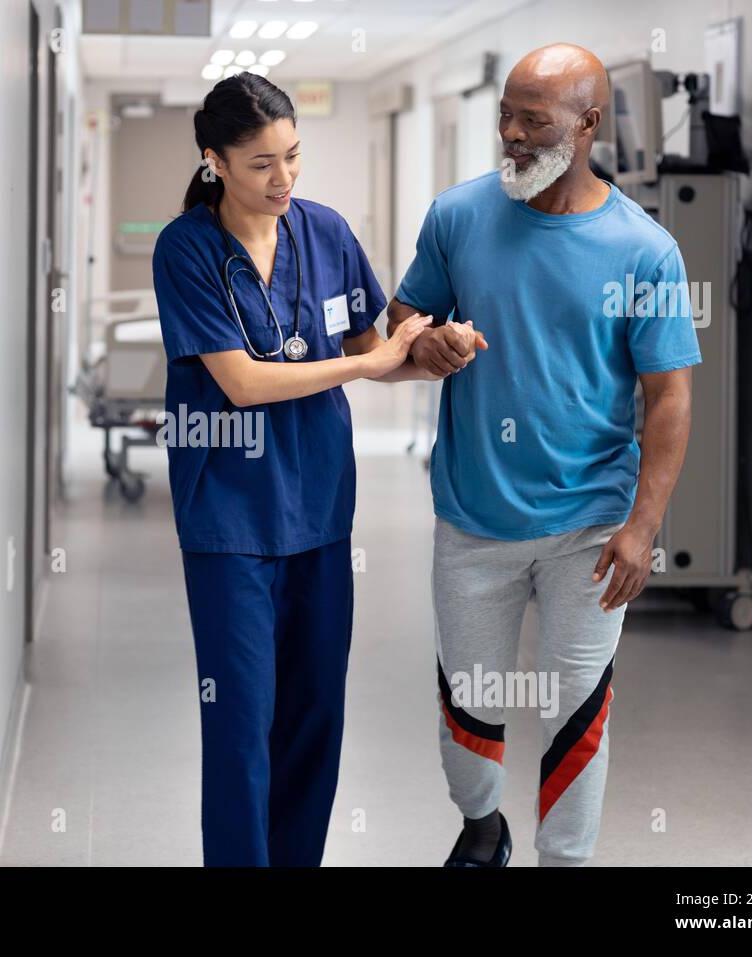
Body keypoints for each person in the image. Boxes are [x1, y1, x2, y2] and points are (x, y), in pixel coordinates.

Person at [151, 73, 481, 867]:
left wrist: (431, 355)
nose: (284, 179)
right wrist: (370, 369)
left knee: (313, 717)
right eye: (261, 163)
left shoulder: (326, 233)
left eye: (293, 156)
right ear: (215, 161)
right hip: (228, 516)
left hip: (321, 512)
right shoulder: (186, 249)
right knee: (240, 725)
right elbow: (243, 382)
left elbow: (370, 352)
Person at [386, 43, 701, 866]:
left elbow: (669, 397)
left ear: (588, 124)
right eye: (506, 114)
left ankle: (566, 859)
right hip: (474, 516)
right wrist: (431, 345)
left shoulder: (643, 250)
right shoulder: (457, 216)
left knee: (577, 710)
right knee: (468, 709)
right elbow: (400, 325)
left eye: (534, 119)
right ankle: (481, 823)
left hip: (589, 527)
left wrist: (643, 527)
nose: (511, 135)